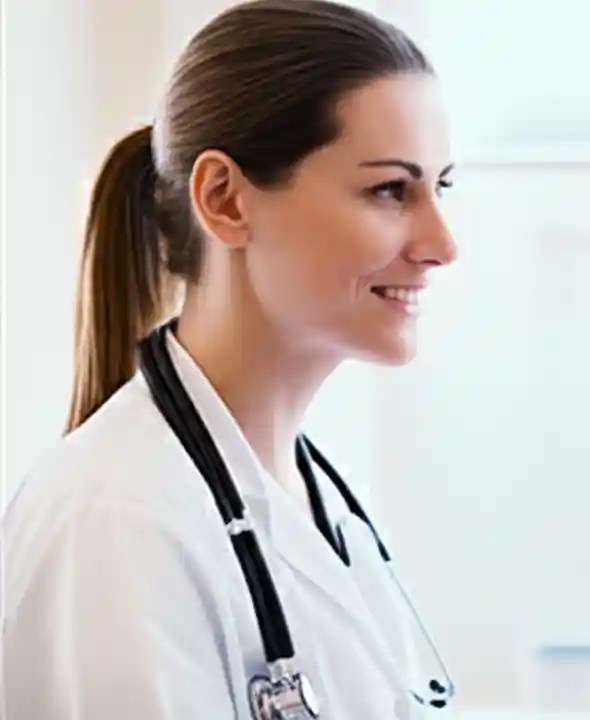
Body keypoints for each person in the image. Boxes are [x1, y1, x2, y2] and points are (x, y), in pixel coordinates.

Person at [1, 1, 459, 717]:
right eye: (389, 190)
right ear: (224, 200)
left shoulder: (324, 503)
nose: (442, 243)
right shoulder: (118, 519)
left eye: (442, 187)